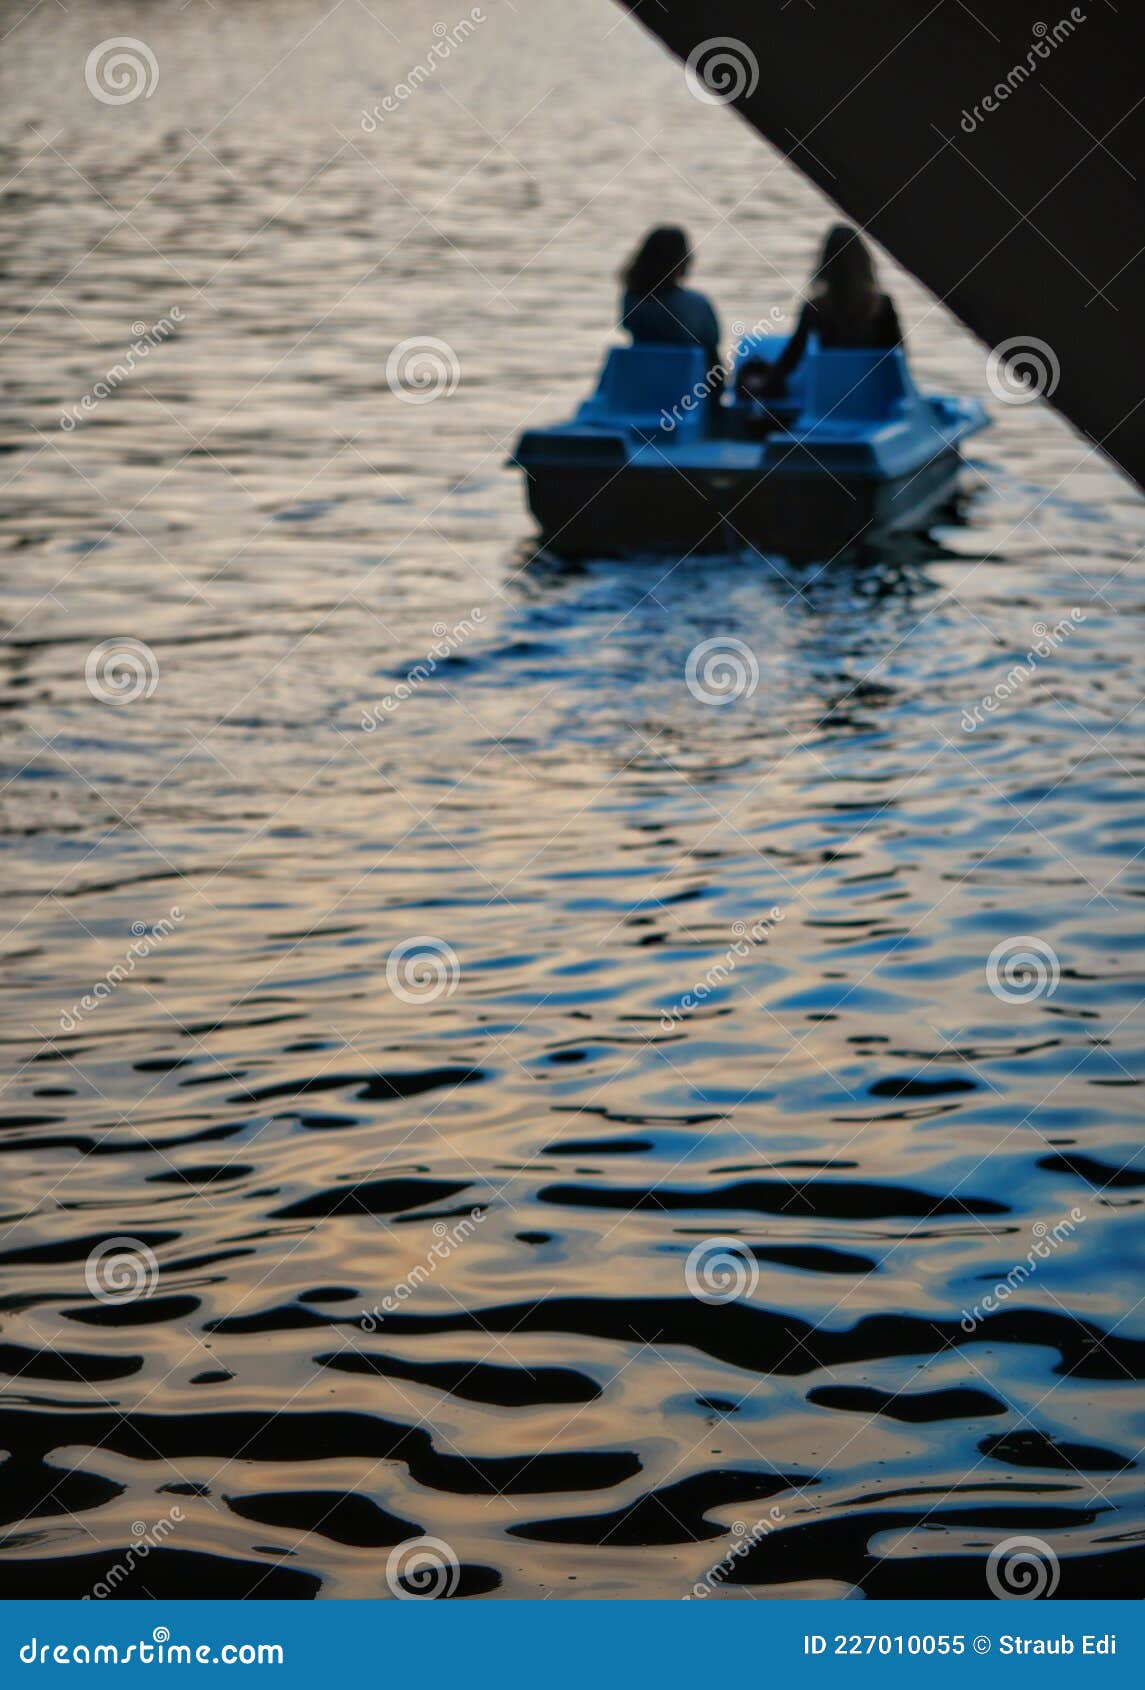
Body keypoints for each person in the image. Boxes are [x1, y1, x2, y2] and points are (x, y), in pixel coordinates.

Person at [743, 224, 902, 400]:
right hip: (874, 400)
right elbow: (899, 362)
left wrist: (762, 384)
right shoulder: (883, 306)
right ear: (865, 263)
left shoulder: (815, 309)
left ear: (825, 264)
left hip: (829, 401)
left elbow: (790, 360)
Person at [620, 226, 721, 368]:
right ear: (682, 260)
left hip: (639, 380)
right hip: (690, 384)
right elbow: (712, 355)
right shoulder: (697, 305)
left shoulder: (631, 300)